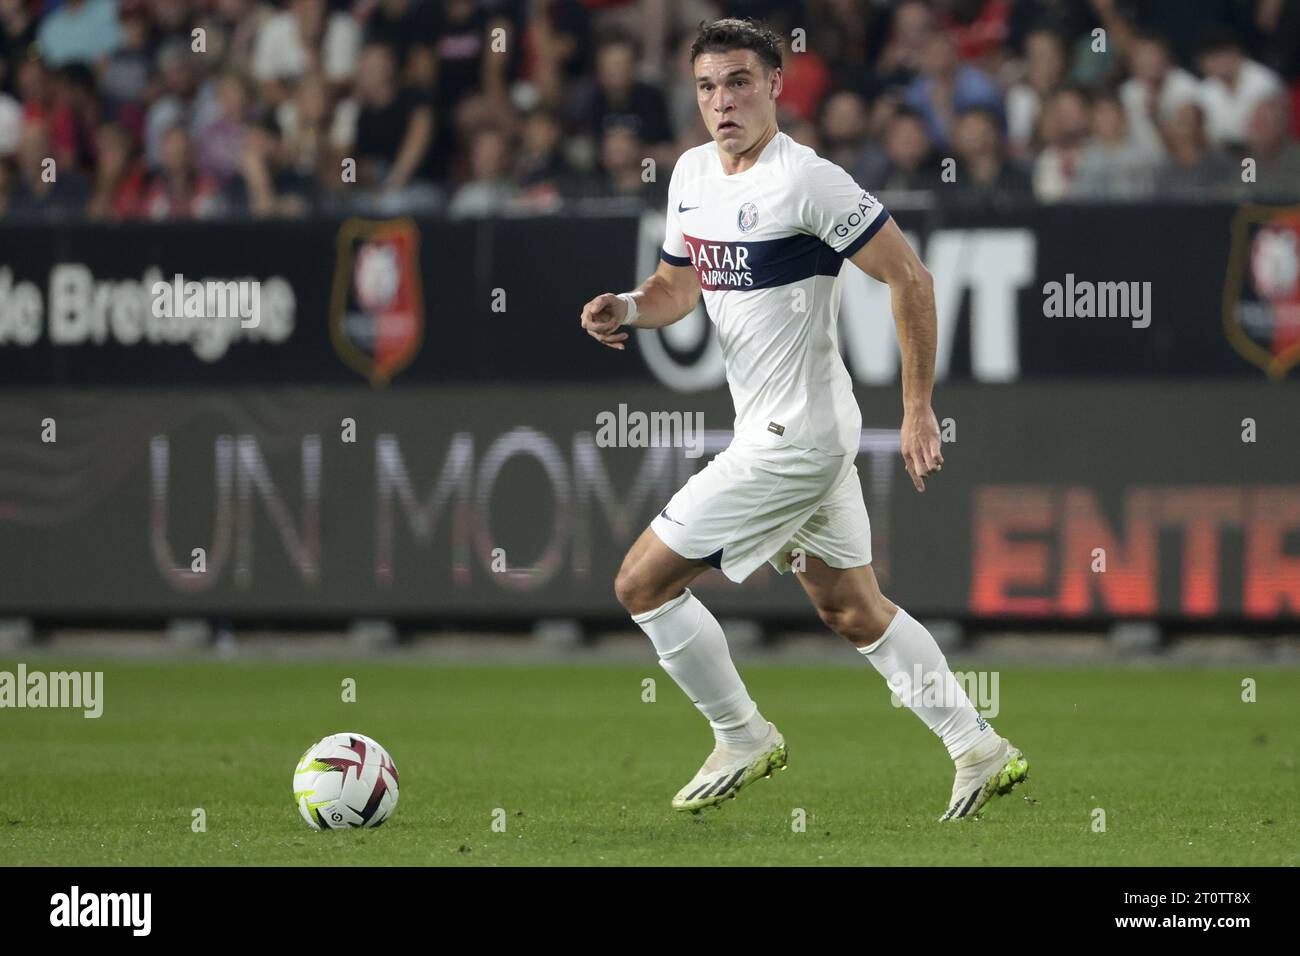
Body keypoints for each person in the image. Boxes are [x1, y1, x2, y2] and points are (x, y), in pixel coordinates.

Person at [579, 18, 1027, 822]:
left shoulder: (807, 181)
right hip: (786, 431)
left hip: (796, 439)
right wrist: (629, 306)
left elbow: (912, 278)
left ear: (777, 85)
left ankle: (741, 733)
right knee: (853, 609)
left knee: (641, 583)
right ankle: (977, 746)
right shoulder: (689, 175)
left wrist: (919, 407)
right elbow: (678, 286)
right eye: (709, 86)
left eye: (741, 82)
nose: (724, 101)